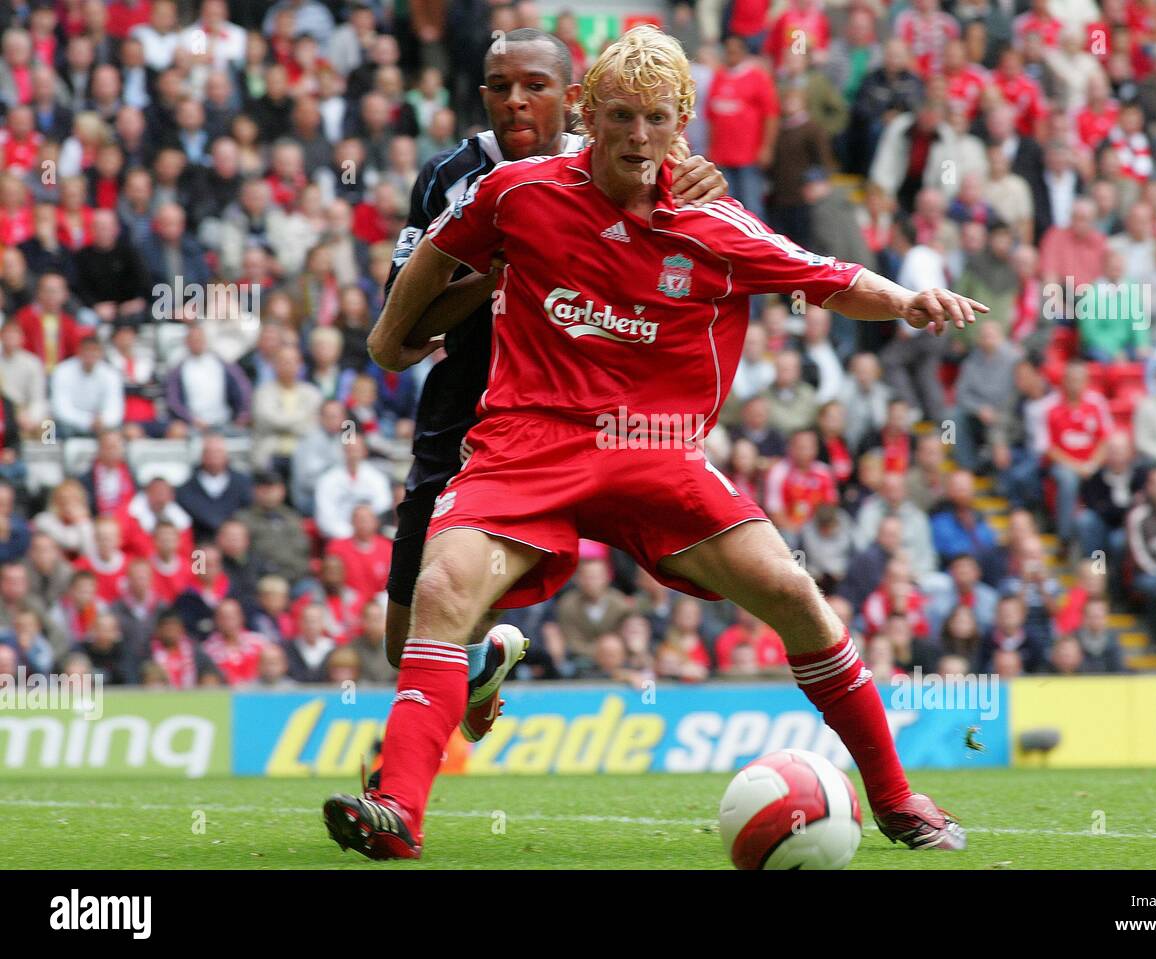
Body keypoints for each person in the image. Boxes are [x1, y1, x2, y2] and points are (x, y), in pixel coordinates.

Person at [332, 26, 984, 861]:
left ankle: (896, 800)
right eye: (620, 117)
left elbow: (827, 275)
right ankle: (398, 814)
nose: (637, 137)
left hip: (658, 450)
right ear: (589, 116)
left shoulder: (718, 221)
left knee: (794, 591)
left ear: (682, 124)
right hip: (526, 439)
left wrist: (907, 300)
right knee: (443, 587)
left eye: (656, 120)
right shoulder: (516, 190)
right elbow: (433, 251)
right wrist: (390, 338)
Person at [373, 27, 730, 755]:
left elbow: (691, 199)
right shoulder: (451, 176)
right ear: (480, 96)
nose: (515, 100)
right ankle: (477, 664)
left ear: (573, 100)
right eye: (500, 86)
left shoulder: (612, 155)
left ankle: (398, 786)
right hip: (466, 404)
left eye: (534, 85)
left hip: (581, 414)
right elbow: (401, 334)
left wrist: (709, 180)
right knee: (398, 642)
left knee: (732, 563)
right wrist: (498, 271)